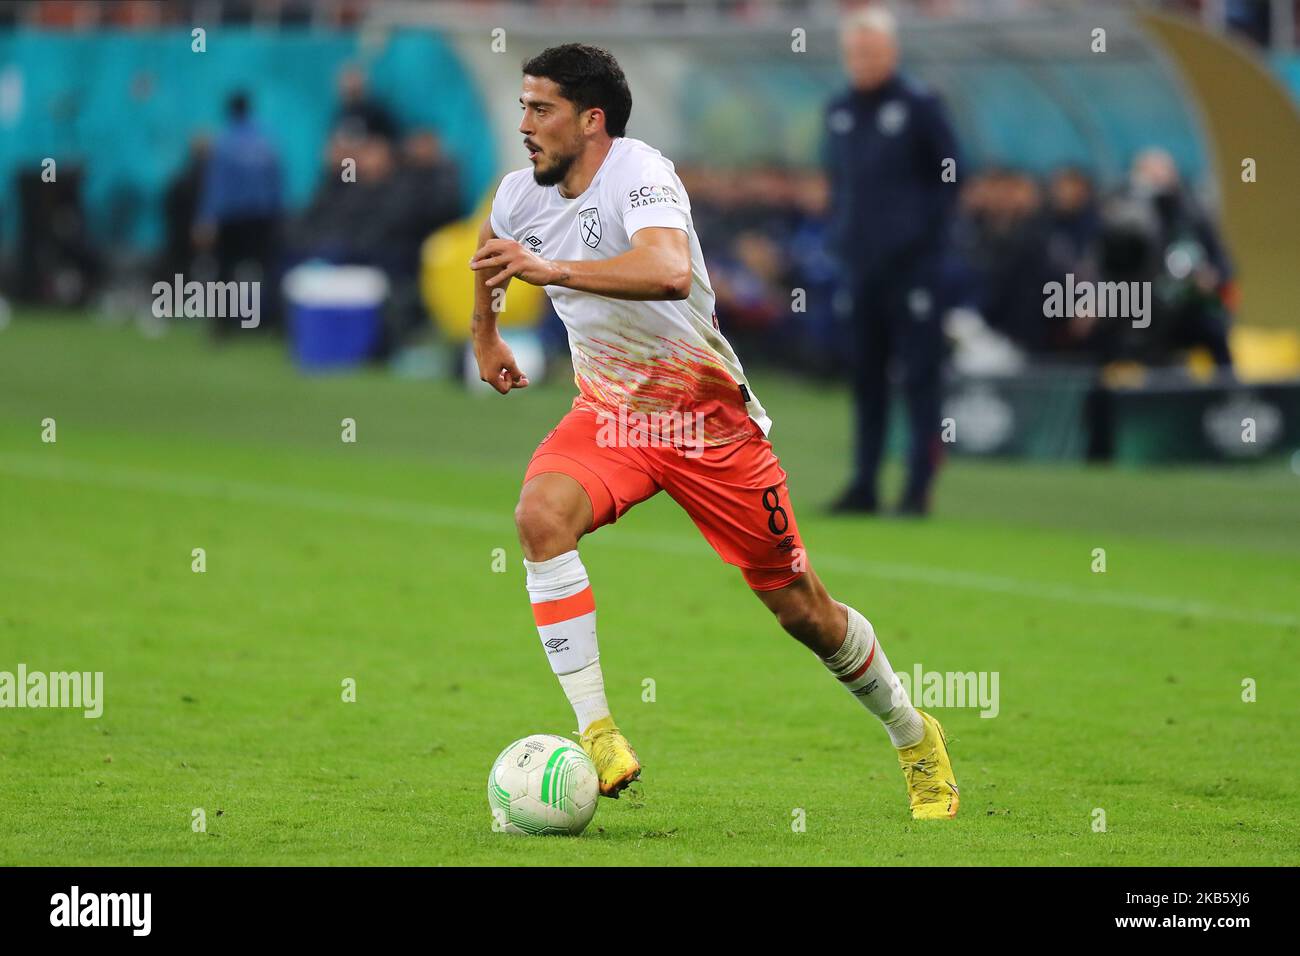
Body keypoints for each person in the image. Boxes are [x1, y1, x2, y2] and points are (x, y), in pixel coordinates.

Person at [468, 43, 958, 820]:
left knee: (804, 611)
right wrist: (486, 336)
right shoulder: (519, 195)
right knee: (538, 519)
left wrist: (553, 272)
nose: (524, 123)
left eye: (541, 109)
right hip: (612, 417)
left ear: (591, 121)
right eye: (522, 106)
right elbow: (491, 259)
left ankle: (910, 731)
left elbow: (664, 271)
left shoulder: (641, 173)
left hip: (707, 426)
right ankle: (597, 732)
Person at [823, 7, 960, 515]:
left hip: (915, 270)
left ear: (891, 52)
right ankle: (865, 483)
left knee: (920, 376)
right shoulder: (839, 110)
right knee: (866, 377)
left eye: (872, 51)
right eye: (855, 52)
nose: (863, 60)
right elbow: (839, 186)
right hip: (861, 269)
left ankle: (918, 485)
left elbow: (950, 173)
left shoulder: (920, 105)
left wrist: (925, 237)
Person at [194, 91, 283, 336]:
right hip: (264, 216)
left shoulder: (224, 142)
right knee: (267, 269)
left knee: (224, 272)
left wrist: (206, 217)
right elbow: (277, 180)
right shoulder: (267, 140)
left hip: (232, 217)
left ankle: (222, 326)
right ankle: (275, 324)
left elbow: (217, 184)